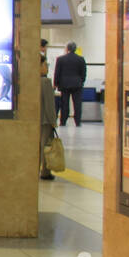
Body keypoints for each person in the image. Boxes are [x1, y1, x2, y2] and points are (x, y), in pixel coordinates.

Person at [54, 41, 86, 127]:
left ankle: (63, 121)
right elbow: (83, 73)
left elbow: (57, 72)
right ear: (75, 49)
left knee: (64, 103)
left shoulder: (60, 59)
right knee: (77, 104)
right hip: (77, 84)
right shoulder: (81, 59)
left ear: (67, 49)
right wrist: (81, 81)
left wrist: (56, 83)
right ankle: (78, 122)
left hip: (64, 84)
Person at [40, 53, 58, 181]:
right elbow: (49, 104)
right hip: (45, 120)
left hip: (33, 120)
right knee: (45, 146)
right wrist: (53, 121)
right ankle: (45, 172)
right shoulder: (46, 82)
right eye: (45, 64)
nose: (46, 67)